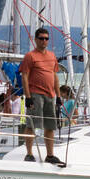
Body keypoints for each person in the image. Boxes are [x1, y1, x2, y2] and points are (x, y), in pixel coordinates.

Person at [19, 28, 63, 166]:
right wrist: (28, 97)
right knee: (31, 124)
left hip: (50, 95)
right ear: (36, 39)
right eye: (41, 38)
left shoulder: (52, 56)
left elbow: (54, 76)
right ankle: (29, 153)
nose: (44, 41)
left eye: (46, 38)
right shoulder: (30, 56)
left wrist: (59, 96)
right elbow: (24, 76)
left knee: (50, 126)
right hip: (35, 94)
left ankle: (50, 155)